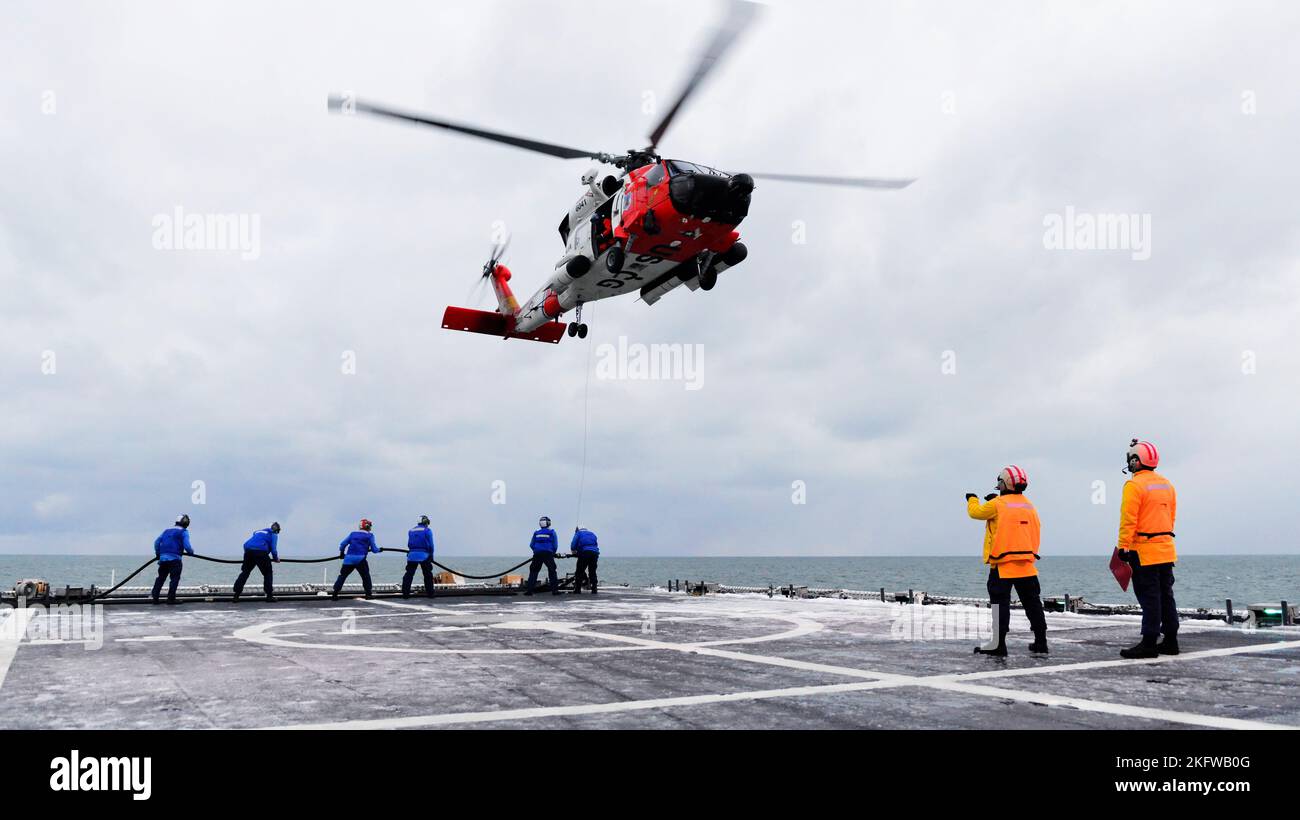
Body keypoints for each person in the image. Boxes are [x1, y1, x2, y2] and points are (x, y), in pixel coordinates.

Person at [966, 466, 1048, 656]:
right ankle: (1041, 642)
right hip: (1027, 565)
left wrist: (972, 499)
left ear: (1003, 484)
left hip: (1002, 566)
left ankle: (999, 644)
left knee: (1000, 605)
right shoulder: (1029, 505)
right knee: (1033, 604)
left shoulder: (997, 505)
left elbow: (976, 513)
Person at [1117, 439, 1180, 659]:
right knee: (1166, 595)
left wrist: (1123, 546)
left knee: (1149, 597)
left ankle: (1149, 642)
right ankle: (1171, 640)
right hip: (1166, 549)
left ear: (1136, 461)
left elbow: (1128, 519)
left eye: (1130, 459)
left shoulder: (1134, 486)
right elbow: (1171, 517)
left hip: (1143, 551)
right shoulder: (1167, 484)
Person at [152, 514, 196, 605]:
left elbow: (156, 542)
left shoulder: (166, 531)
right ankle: (170, 599)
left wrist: (158, 554)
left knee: (161, 578)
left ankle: (155, 597)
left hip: (163, 559)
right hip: (175, 560)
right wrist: (191, 552)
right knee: (174, 579)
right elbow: (187, 546)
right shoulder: (184, 532)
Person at [332, 519, 381, 600]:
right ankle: (368, 594)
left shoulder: (352, 534)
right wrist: (380, 549)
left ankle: (335, 594)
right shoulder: (370, 536)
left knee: (342, 576)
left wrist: (341, 553)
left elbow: (343, 544)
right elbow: (374, 550)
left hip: (348, 559)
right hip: (360, 559)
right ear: (368, 527)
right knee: (365, 576)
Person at [232, 522, 281, 603]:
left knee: (245, 572)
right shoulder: (274, 534)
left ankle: (236, 595)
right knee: (268, 573)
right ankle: (269, 596)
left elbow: (248, 543)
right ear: (277, 530)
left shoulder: (258, 532)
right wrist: (276, 558)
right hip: (260, 552)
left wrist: (250, 556)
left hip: (248, 550)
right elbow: (273, 549)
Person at [524, 515, 561, 596]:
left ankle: (529, 591)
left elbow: (531, 544)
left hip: (537, 554)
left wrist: (536, 551)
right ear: (548, 523)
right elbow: (555, 545)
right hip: (548, 553)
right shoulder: (552, 532)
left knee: (533, 571)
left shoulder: (536, 532)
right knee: (552, 571)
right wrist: (553, 552)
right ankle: (555, 591)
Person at [402, 515, 437, 599]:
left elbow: (410, 543)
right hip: (424, 555)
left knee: (409, 574)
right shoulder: (427, 530)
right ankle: (430, 594)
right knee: (427, 575)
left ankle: (405, 594)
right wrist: (431, 555)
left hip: (412, 555)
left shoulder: (411, 531)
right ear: (426, 522)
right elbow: (431, 545)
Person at [570, 527, 600, 594]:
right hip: (595, 553)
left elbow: (573, 545)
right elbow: (595, 544)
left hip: (585, 553)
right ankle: (594, 588)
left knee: (579, 571)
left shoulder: (578, 533)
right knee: (592, 571)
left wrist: (574, 551)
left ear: (579, 529)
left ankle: (577, 589)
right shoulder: (592, 534)